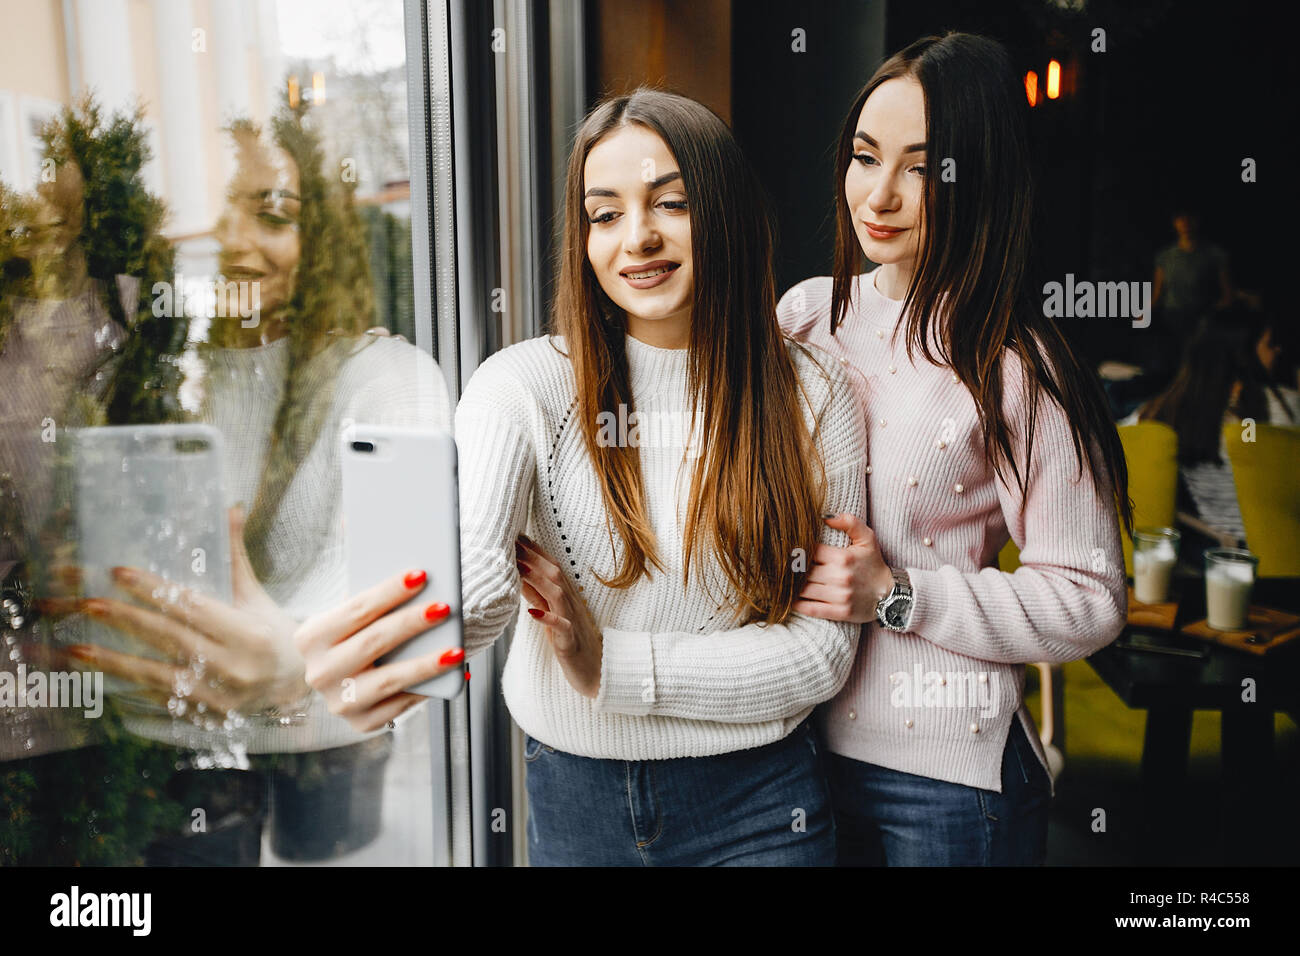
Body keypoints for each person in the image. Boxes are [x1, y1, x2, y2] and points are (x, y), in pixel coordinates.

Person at [296, 88, 869, 866]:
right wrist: (391, 636)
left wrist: (611, 665)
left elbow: (821, 656)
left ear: (726, 212)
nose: (638, 237)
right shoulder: (521, 386)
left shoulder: (815, 393)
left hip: (763, 804)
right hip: (576, 804)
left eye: (671, 203)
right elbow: (483, 571)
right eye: (604, 214)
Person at [777, 33, 1132, 866]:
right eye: (866, 157)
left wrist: (898, 595)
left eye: (921, 169)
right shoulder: (802, 318)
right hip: (792, 749)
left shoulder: (1015, 364)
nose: (880, 194)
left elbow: (1091, 597)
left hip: (944, 786)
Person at [1120, 307, 1295, 549]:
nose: (1278, 349)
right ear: (1245, 353)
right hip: (1277, 545)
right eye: (1270, 343)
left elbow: (1120, 438)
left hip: (1209, 545)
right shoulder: (1276, 408)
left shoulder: (1167, 409)